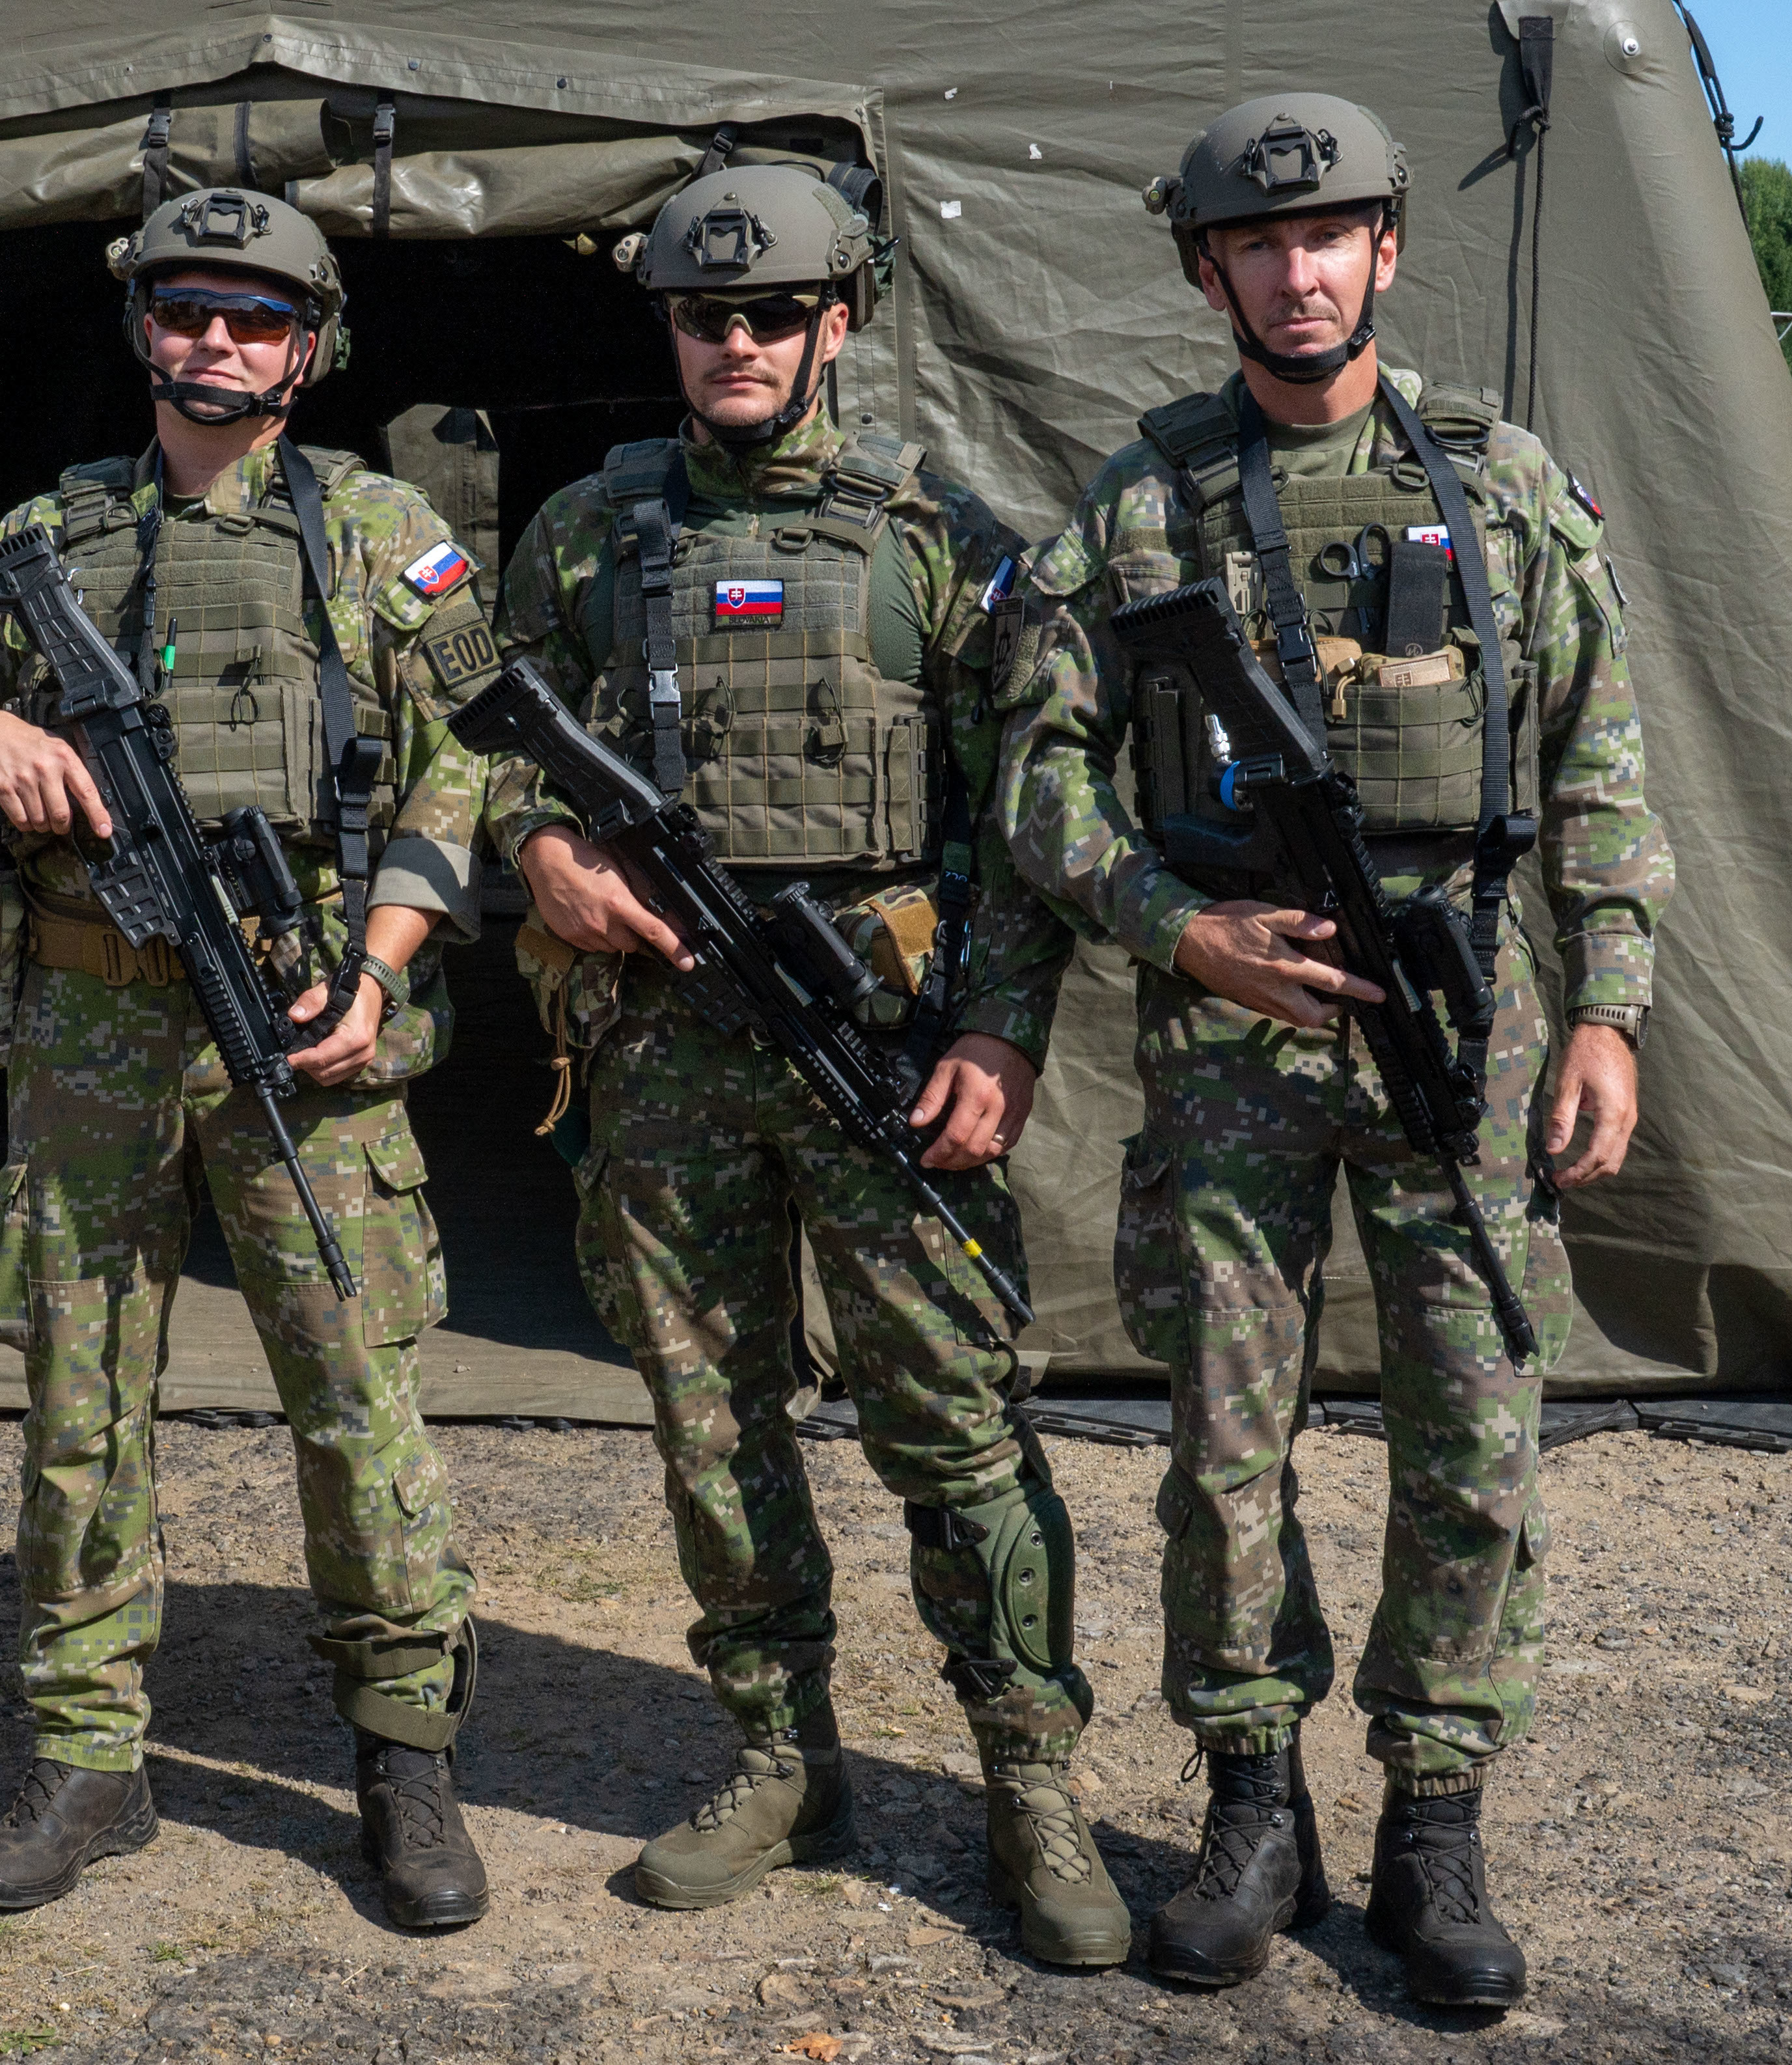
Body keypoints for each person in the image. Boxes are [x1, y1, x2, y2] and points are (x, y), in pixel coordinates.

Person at [999, 94, 1671, 2003]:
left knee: (1476, 1428)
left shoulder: (1507, 489)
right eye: (1258, 245)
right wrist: (1181, 925)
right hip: (1230, 1039)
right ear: (1207, 270)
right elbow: (1038, 779)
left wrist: (1606, 1007)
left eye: (1330, 237)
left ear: (1385, 250)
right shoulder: (1143, 504)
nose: (1298, 273)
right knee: (1227, 1446)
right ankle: (1254, 1803)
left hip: (1466, 1023)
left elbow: (1599, 759)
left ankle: (1434, 1820)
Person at [488, 163, 1130, 1965]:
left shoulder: (936, 536)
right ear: (672, 331)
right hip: (663, 1050)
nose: (741, 344)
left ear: (837, 322)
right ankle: (782, 1757)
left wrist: (1001, 1027)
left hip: (883, 1050)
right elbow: (477, 738)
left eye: (774, 314)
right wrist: (539, 847)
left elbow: (1032, 810)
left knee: (957, 1429)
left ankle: (1032, 1777)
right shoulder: (589, 536)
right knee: (712, 1424)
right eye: (707, 317)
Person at [0, 188, 503, 1930]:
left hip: (305, 1019)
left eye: (256, 318)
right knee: (80, 1392)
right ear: (142, 329)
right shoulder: (48, 535)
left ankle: (405, 1751)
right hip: (89, 1025)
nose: (217, 343)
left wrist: (382, 966)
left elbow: (471, 764)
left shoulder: (381, 535)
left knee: (356, 1387)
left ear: (311, 348)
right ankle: (89, 1751)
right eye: (185, 311)